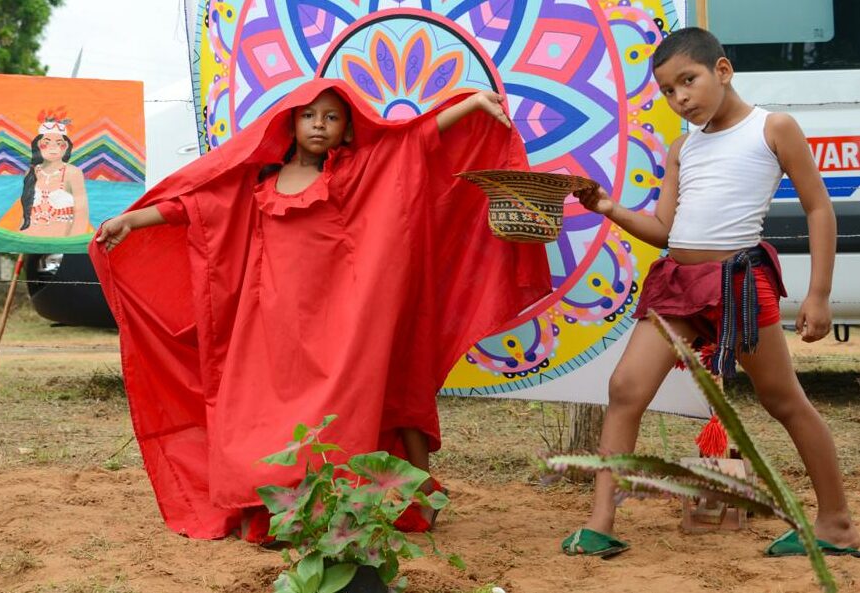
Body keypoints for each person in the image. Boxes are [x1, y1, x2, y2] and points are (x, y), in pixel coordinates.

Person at [90, 77, 551, 542]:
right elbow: (193, 206)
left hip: (341, 323)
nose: (319, 124)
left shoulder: (353, 173)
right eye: (310, 115)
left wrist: (470, 106)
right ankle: (274, 504)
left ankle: (390, 499)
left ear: (348, 130)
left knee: (364, 405)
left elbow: (412, 144)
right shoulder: (259, 180)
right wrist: (131, 219)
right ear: (290, 124)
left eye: (332, 117)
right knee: (261, 414)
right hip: (271, 322)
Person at [561, 27, 860, 558]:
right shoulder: (682, 149)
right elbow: (665, 230)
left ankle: (836, 522)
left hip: (737, 285)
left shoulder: (773, 127)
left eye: (688, 82)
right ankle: (602, 522)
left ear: (722, 71)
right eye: (669, 92)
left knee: (783, 400)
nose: (680, 99)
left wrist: (819, 294)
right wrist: (609, 208)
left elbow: (819, 207)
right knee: (626, 388)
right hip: (679, 283)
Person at [18, 114, 90, 236]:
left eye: (59, 143)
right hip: (30, 240)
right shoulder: (31, 172)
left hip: (61, 243)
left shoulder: (73, 173)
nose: (53, 148)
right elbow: (25, 213)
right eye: (46, 143)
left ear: (66, 147)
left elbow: (81, 215)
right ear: (37, 145)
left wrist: (71, 246)